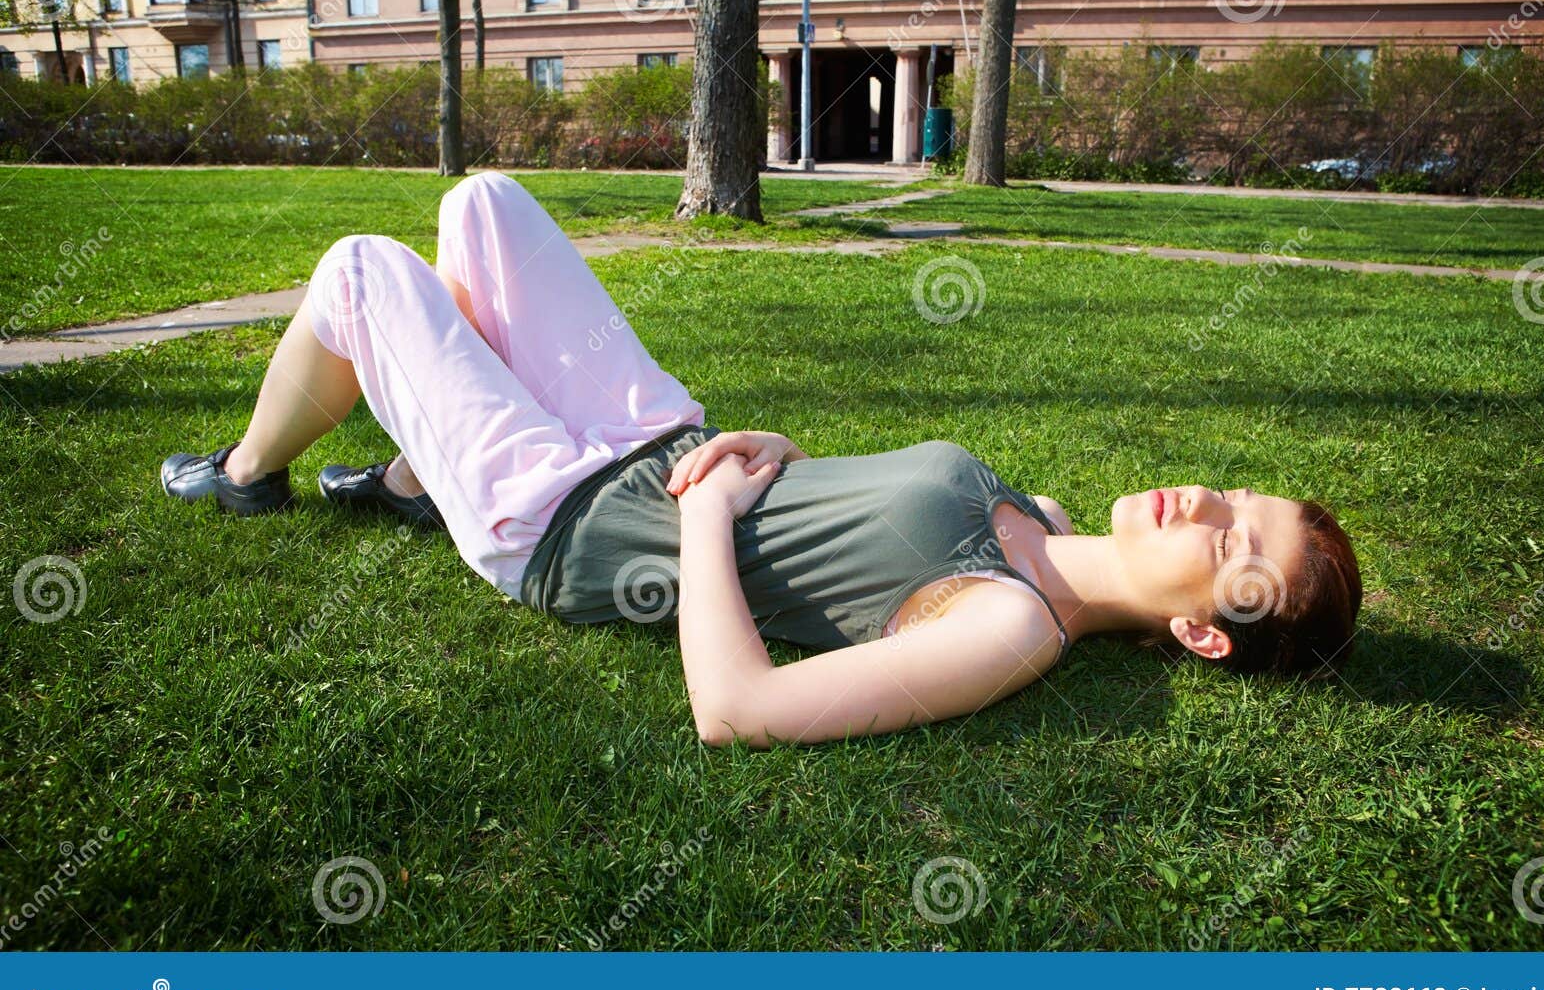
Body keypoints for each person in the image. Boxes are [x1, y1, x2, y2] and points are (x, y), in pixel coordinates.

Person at [161, 173, 1362, 748]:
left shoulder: (1009, 627)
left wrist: (703, 518)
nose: (1204, 500)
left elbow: (735, 709)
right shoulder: (1032, 512)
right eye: (1234, 492)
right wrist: (780, 452)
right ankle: (419, 469)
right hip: (658, 434)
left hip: (570, 525)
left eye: (1232, 542)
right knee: (481, 206)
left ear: (1206, 630)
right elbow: (841, 520)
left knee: (363, 269)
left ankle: (253, 469)